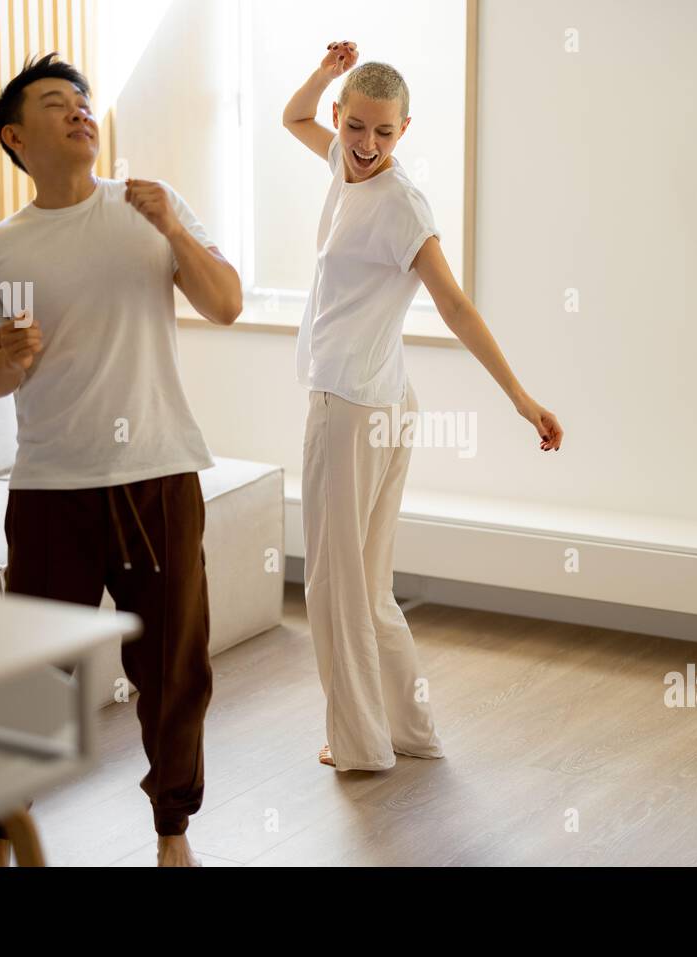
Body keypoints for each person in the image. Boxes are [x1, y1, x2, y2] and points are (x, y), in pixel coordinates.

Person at [0, 53, 242, 865]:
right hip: (51, 487)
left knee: (174, 668)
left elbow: (225, 304)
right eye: (56, 103)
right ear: (16, 136)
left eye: (83, 101)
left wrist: (176, 230)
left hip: (157, 475)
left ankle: (172, 831)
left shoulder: (149, 210)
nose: (80, 111)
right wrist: (11, 362)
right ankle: (4, 828)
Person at [282, 42, 564, 771]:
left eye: (385, 132)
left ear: (405, 131)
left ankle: (359, 745)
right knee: (368, 586)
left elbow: (456, 305)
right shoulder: (341, 168)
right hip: (377, 396)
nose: (368, 145)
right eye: (357, 127)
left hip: (351, 405)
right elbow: (293, 116)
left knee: (335, 585)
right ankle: (410, 730)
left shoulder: (401, 205)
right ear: (341, 120)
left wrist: (520, 398)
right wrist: (323, 70)